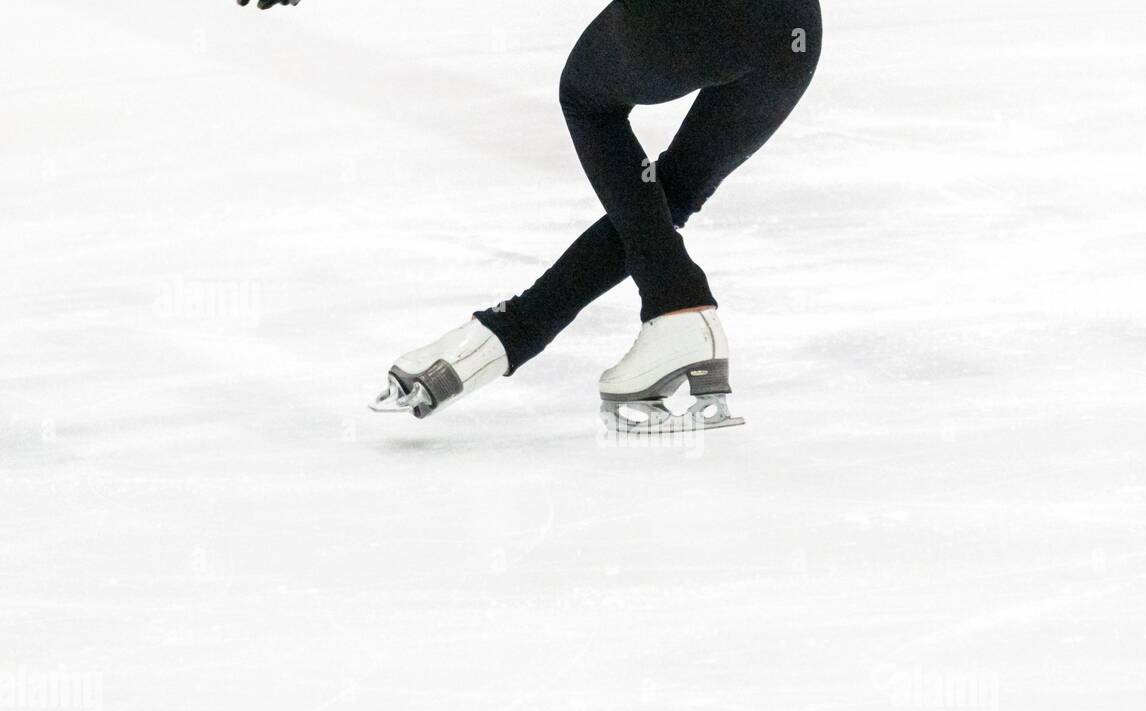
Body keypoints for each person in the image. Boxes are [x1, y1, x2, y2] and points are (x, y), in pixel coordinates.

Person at [244, 0, 823, 431]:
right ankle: (519, 331)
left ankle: (675, 305)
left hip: (696, 17)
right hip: (793, 33)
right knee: (664, 194)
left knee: (587, 99)